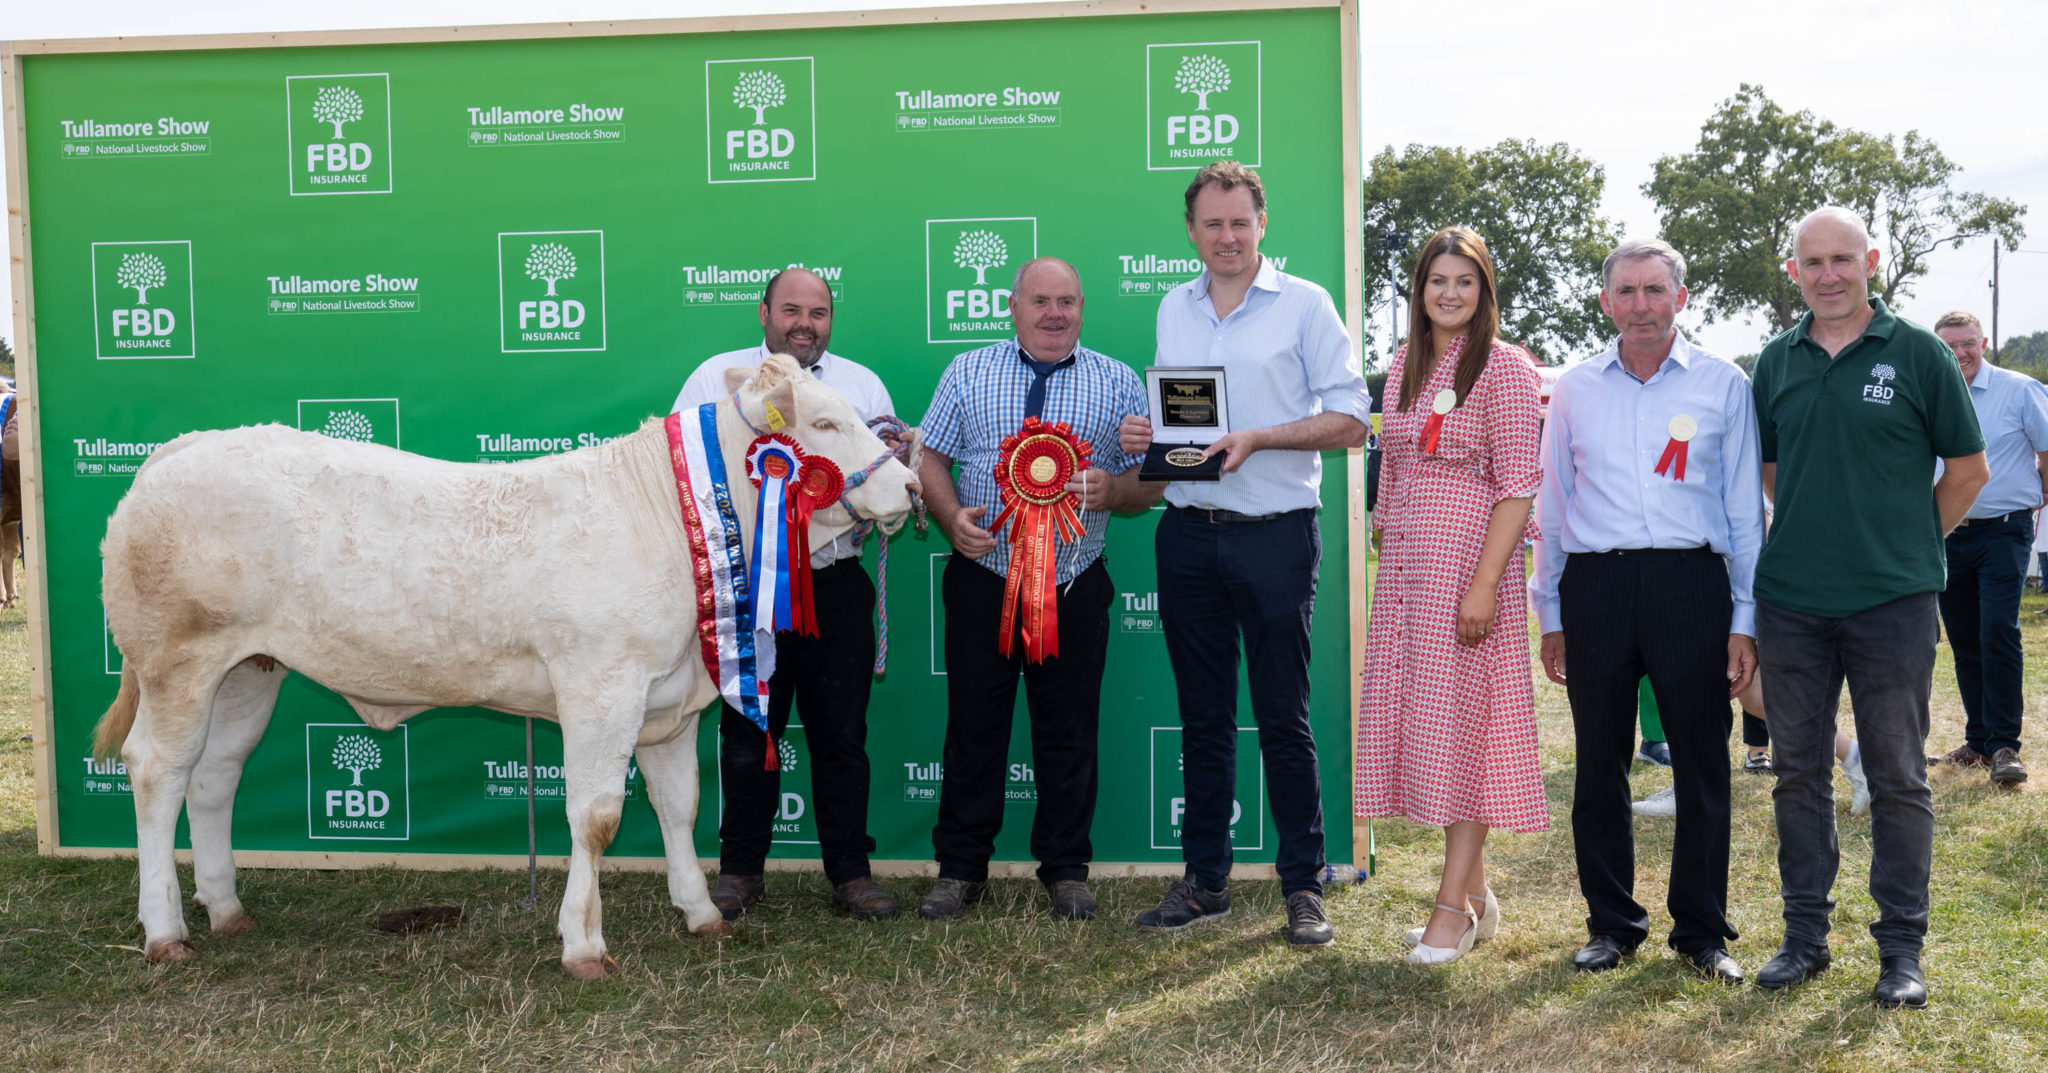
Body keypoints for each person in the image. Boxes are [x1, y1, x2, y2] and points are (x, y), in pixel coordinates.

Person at [1120, 162, 1368, 947]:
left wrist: (1262, 436)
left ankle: (1304, 882)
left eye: (1240, 222)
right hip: (1189, 532)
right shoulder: (1173, 305)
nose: (1227, 237)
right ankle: (1206, 884)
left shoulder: (1305, 304)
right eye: (1212, 224)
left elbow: (1352, 420)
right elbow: (1184, 425)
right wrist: (1146, 442)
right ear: (1190, 231)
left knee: (1284, 716)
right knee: (1203, 718)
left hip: (1276, 532)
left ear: (1263, 224)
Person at [1750, 206, 1988, 1010]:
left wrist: (1905, 541)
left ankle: (1901, 950)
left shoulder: (1920, 352)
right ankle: (1804, 938)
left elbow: (1968, 469)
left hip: (1893, 600)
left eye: (1841, 259)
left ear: (1871, 261)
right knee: (1796, 773)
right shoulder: (1774, 361)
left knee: (1897, 774)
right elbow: (1775, 473)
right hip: (1792, 602)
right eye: (1811, 262)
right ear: (1794, 271)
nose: (1827, 275)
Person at [1531, 237, 1760, 983]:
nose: (1640, 305)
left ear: (1681, 298)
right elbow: (1554, 504)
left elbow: (1742, 512)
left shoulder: (1724, 384)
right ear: (1605, 303)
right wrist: (1551, 610)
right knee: (1598, 763)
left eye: (1655, 290)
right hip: (1595, 588)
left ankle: (1701, 931)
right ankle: (1612, 924)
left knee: (1700, 763)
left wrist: (1743, 617)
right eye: (1625, 291)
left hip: (1691, 585)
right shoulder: (1573, 387)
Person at [915, 257, 1150, 921]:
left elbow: (1149, 482)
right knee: (973, 729)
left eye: (1067, 301)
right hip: (984, 576)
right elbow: (929, 453)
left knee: (1070, 733)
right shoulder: (969, 371)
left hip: (1076, 583)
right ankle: (961, 869)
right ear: (1012, 306)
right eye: (1041, 300)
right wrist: (948, 514)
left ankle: (1067, 870)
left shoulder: (1118, 381)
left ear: (1082, 307)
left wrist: (1116, 489)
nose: (1055, 313)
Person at [673, 267, 904, 922]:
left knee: (842, 733)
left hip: (835, 580)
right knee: (748, 731)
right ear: (764, 312)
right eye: (792, 310)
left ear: (832, 319)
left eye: (819, 312)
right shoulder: (714, 380)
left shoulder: (861, 386)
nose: (805, 323)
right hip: (748, 588)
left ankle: (851, 874)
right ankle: (741, 871)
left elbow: (881, 474)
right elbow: (682, 469)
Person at [1356, 225, 1546, 965]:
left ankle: (1447, 909)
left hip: (1470, 567)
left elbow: (1517, 482)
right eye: (1438, 280)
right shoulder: (1406, 360)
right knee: (1435, 732)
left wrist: (1487, 583)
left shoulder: (1504, 366)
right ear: (1419, 290)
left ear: (1485, 289)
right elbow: (1395, 462)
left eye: (1464, 281)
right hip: (1408, 573)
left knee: (1466, 733)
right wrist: (1385, 533)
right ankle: (1474, 897)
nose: (1450, 292)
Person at [1926, 311, 2046, 787]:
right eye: (1949, 346)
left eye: (1968, 343)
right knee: (1963, 635)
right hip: (1948, 533)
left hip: (2003, 531)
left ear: (1984, 342)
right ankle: (1977, 741)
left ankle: (2004, 746)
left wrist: (2030, 502)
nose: (1959, 354)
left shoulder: (2019, 390)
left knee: (1998, 628)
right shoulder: (1929, 393)